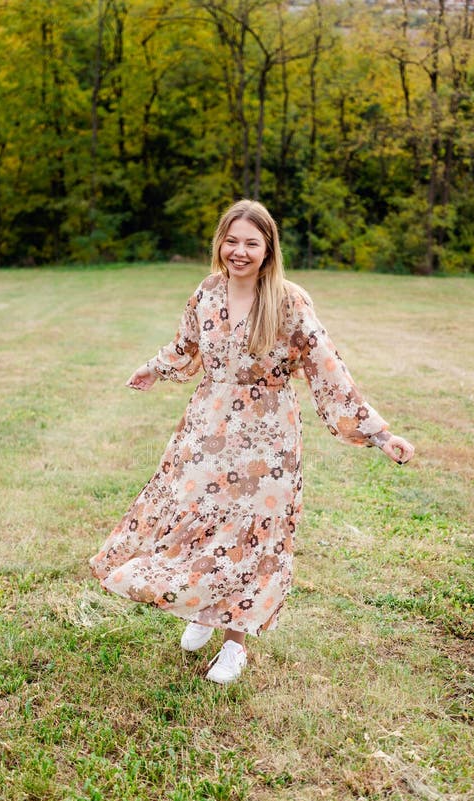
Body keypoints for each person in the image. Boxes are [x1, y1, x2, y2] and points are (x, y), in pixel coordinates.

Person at [90, 200, 414, 684]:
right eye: (232, 241)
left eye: (251, 243)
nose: (239, 252)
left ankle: (234, 644)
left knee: (250, 534)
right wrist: (154, 369)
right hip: (208, 427)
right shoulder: (207, 292)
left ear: (268, 249)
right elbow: (186, 346)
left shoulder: (288, 301)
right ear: (220, 243)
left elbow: (327, 368)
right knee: (200, 520)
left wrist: (378, 434)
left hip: (268, 437)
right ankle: (203, 608)